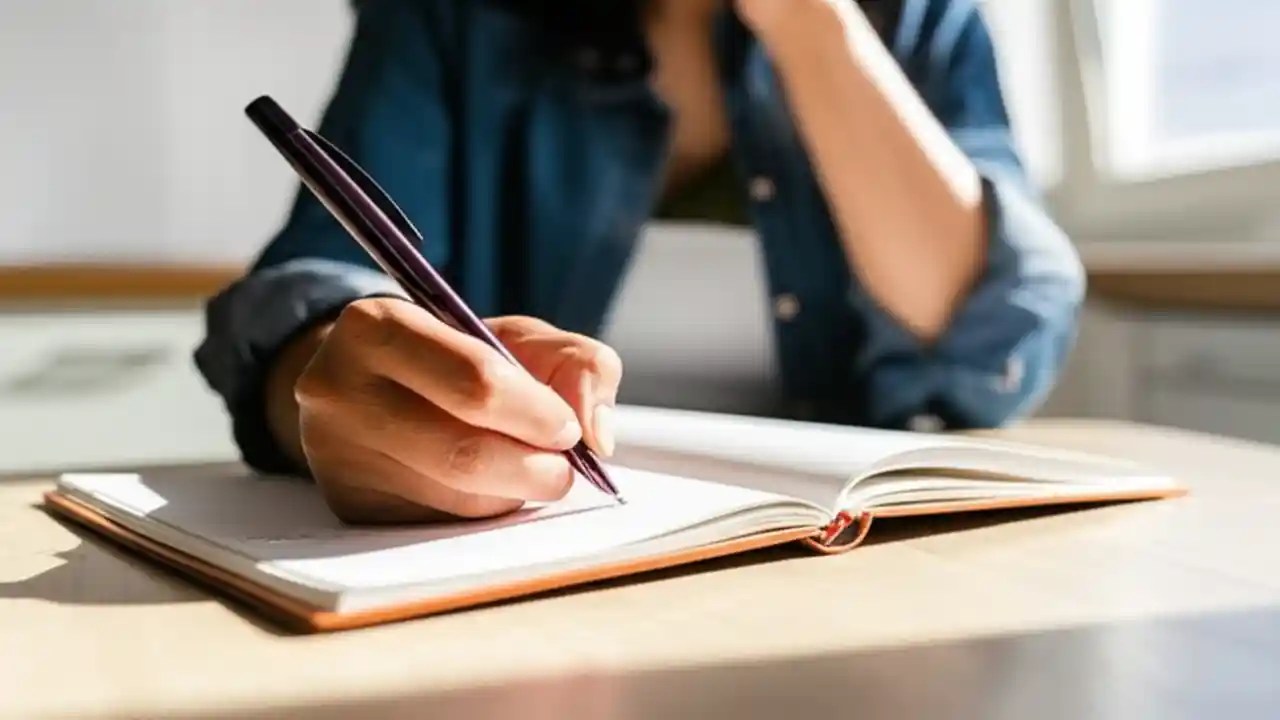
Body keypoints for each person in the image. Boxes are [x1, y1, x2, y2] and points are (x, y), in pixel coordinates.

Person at [196, 0, 1084, 523]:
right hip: (520, 569)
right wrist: (328, 394)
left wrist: (814, 27)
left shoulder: (925, 20)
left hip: (835, 559)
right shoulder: (449, 19)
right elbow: (306, 299)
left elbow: (998, 345)